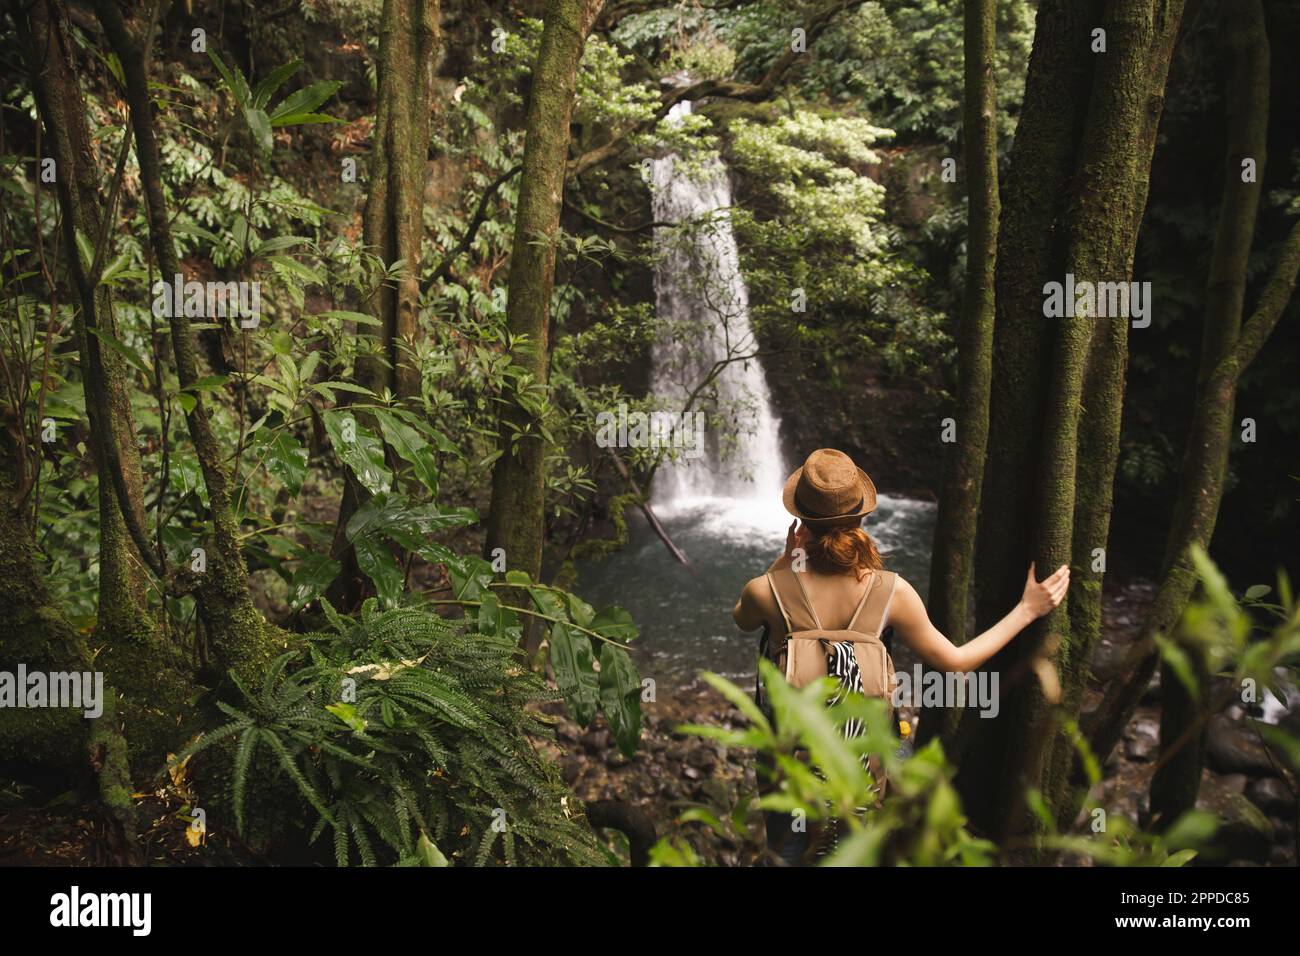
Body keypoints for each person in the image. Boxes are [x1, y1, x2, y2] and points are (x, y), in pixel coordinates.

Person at [731, 448, 1069, 864]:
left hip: (788, 756)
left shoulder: (765, 590)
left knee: (787, 851)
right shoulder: (892, 591)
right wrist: (1028, 610)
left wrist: (786, 561)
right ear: (860, 517)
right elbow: (957, 661)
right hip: (869, 750)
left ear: (800, 520)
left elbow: (742, 620)